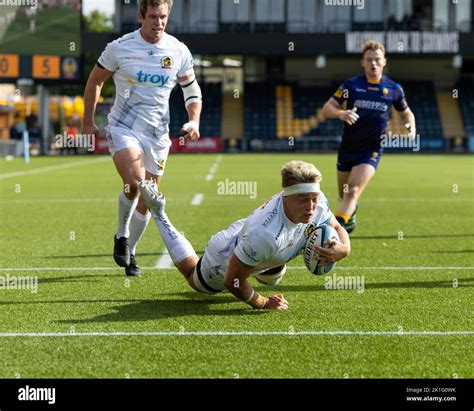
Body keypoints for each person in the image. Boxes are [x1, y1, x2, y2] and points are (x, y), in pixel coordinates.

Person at [82, 0, 202, 276]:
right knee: (136, 185)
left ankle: (131, 250)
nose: (158, 23)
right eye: (152, 17)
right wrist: (87, 121)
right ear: (140, 16)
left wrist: (193, 120)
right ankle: (121, 235)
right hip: (124, 128)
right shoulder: (119, 48)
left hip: (158, 135)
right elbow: (95, 80)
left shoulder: (178, 50)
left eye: (163, 17)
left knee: (149, 199)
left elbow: (191, 89)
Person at [139, 161, 351, 310]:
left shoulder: (318, 200)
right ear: (286, 198)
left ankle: (263, 263)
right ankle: (159, 212)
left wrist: (344, 249)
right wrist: (263, 303)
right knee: (195, 280)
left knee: (273, 277)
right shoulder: (264, 235)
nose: (311, 207)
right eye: (303, 200)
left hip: (266, 248)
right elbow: (233, 281)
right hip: (225, 253)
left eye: (314, 198)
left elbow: (338, 227)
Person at [322, 40, 416, 233]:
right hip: (347, 148)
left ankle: (333, 233)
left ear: (384, 62)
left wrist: (410, 126)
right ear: (362, 62)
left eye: (377, 60)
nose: (373, 64)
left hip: (371, 150)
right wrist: (341, 113)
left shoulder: (394, 89)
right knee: (345, 194)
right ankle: (351, 211)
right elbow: (327, 109)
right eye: (369, 60)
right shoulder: (351, 85)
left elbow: (406, 112)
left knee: (353, 191)